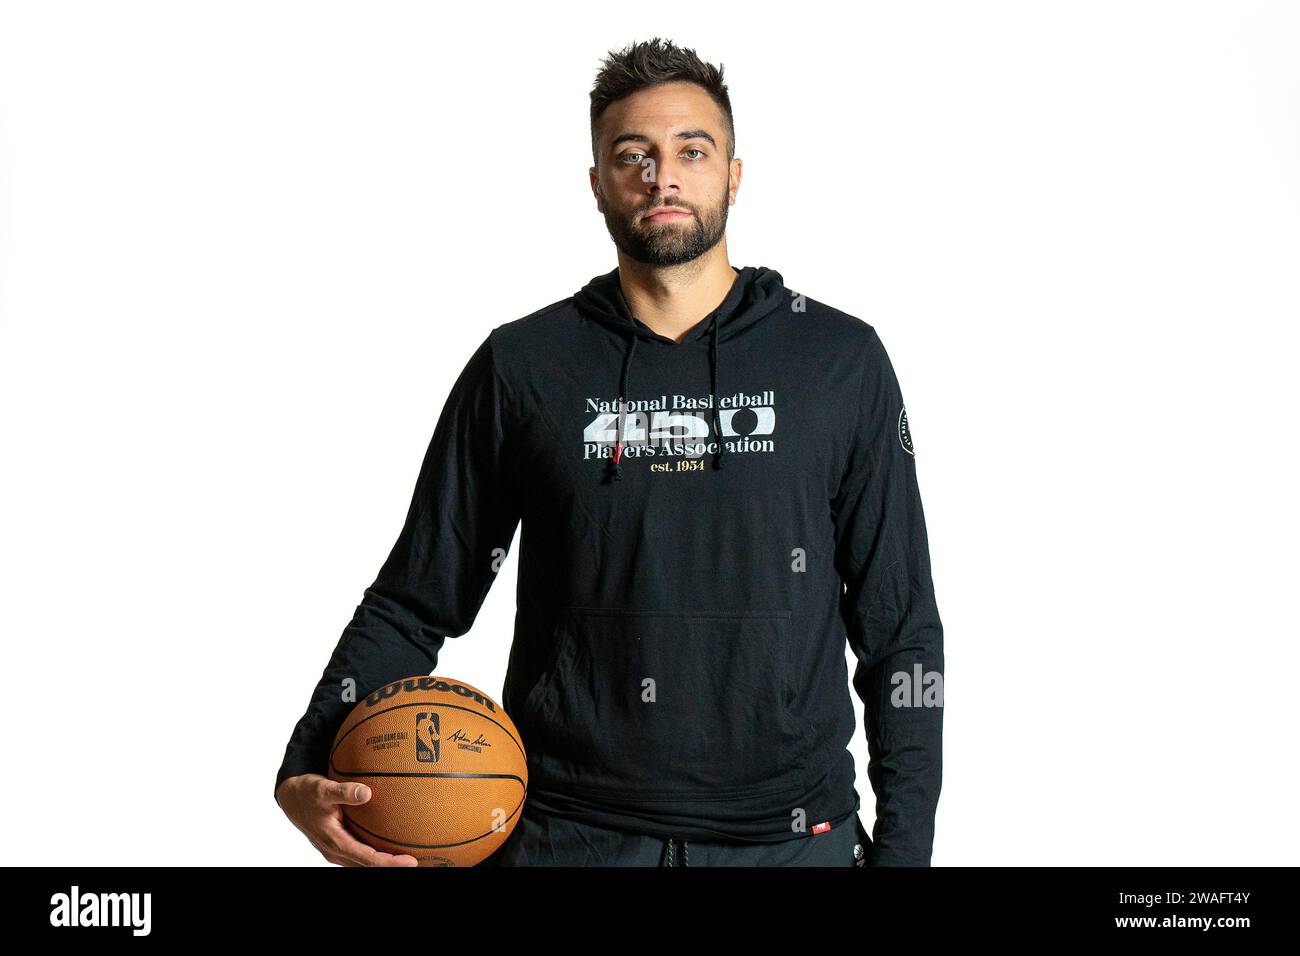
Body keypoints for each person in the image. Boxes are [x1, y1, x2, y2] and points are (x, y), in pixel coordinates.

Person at [274, 37, 944, 868]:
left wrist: (906, 853)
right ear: (597, 183)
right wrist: (307, 761)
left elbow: (900, 627)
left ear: (734, 174)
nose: (663, 176)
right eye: (634, 155)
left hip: (789, 837)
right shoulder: (524, 366)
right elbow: (417, 599)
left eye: (691, 151)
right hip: (569, 837)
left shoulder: (839, 361)